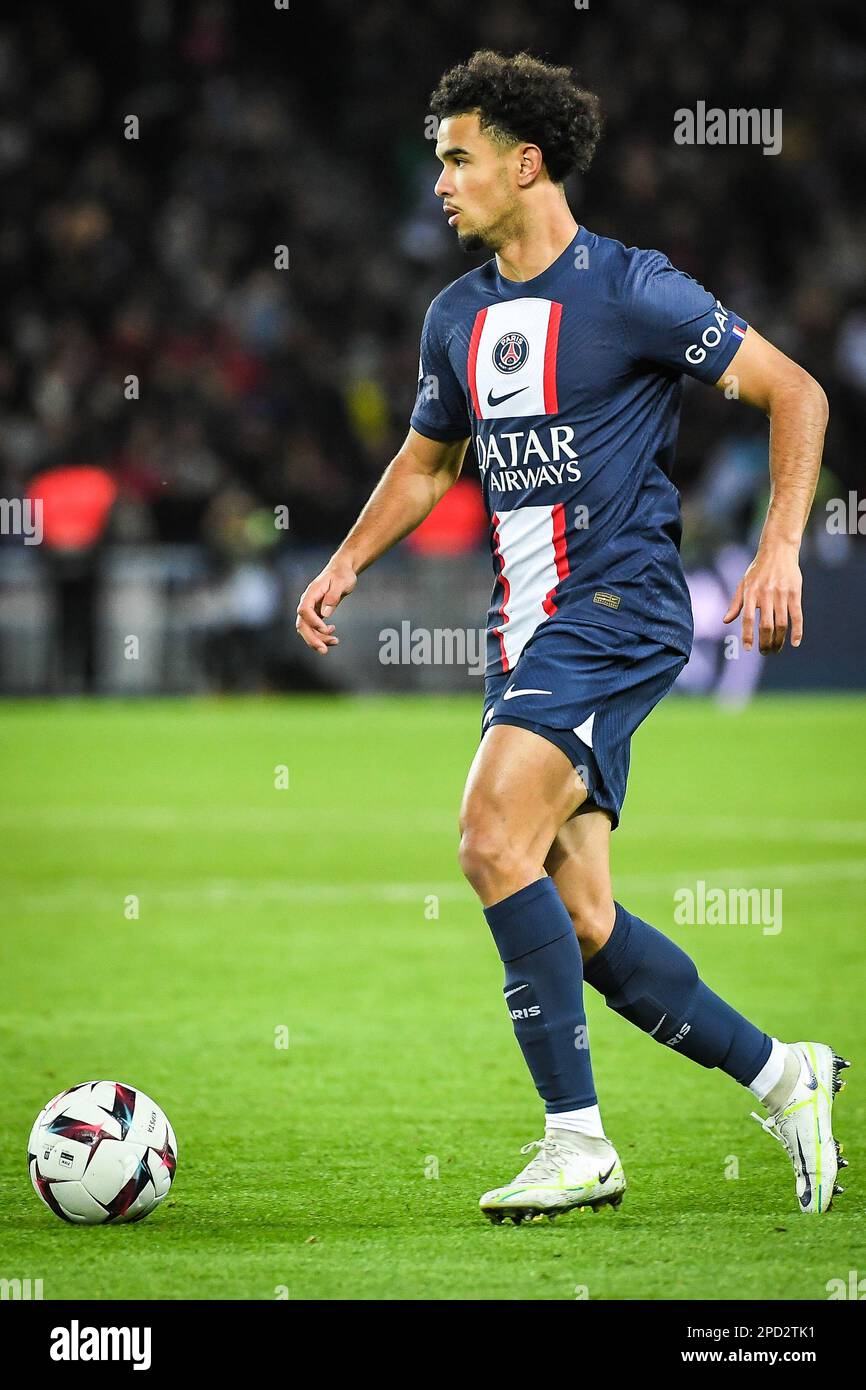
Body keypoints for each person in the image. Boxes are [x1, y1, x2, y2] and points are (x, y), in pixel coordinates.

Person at [296, 50, 847, 1221]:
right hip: (523, 633)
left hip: (614, 610)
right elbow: (427, 461)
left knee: (487, 836)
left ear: (524, 161)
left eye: (457, 159)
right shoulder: (456, 315)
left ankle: (576, 1143)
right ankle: (781, 1072)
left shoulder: (631, 288)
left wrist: (779, 544)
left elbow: (795, 391)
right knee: (582, 915)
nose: (438, 183)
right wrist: (344, 558)